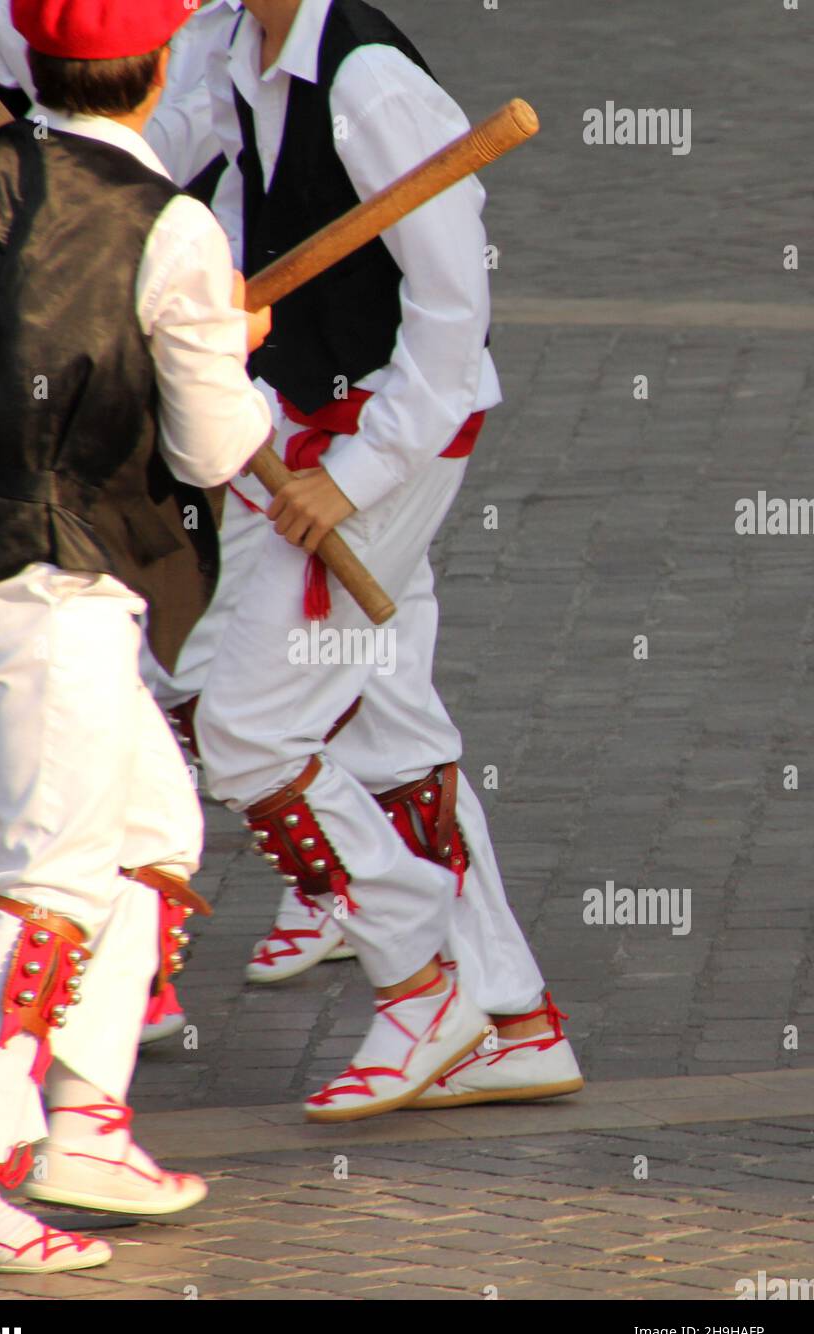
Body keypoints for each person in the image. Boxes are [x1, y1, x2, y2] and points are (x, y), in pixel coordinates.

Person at [0, 0, 271, 1270]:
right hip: (59, 575)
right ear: (157, 76)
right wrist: (233, 349)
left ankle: (85, 1121)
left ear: (27, 58)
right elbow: (215, 450)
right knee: (45, 873)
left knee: (150, 826)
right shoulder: (176, 228)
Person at [194, 0, 583, 1119]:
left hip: (387, 438)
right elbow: (238, 209)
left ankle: (421, 980)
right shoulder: (236, 48)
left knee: (249, 727)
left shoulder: (365, 80)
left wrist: (353, 475)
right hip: (315, 425)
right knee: (387, 718)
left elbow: (456, 316)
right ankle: (513, 1017)